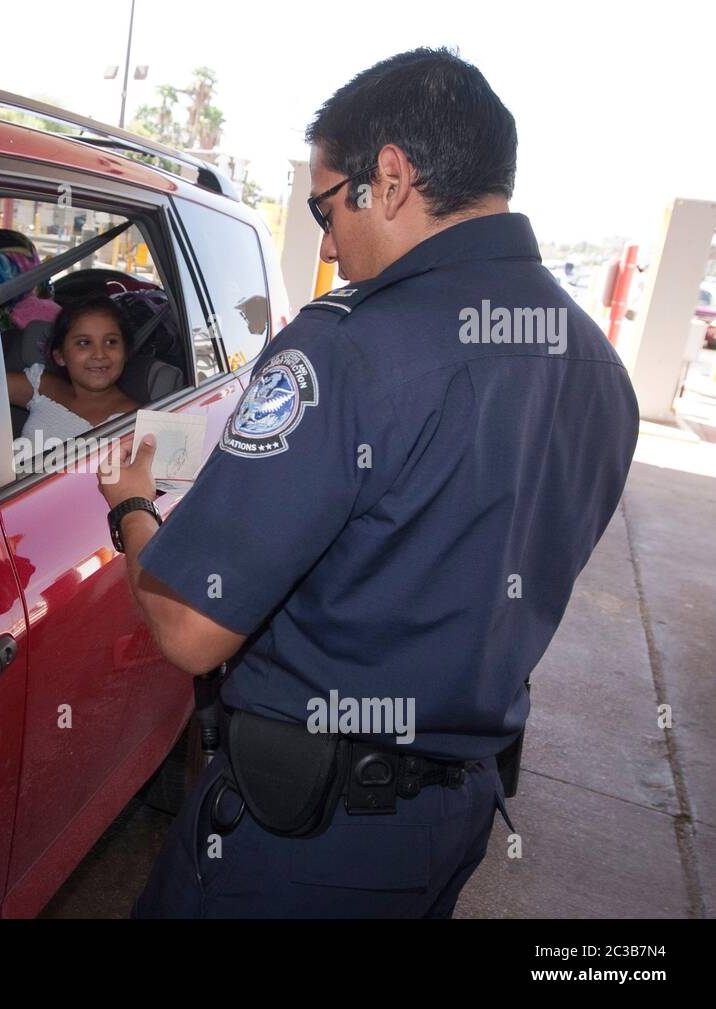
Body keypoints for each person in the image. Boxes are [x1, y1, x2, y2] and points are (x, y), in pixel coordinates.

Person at [98, 48, 638, 917]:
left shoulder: (348, 349)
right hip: (448, 823)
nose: (325, 241)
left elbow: (191, 628)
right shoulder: (599, 369)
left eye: (325, 206)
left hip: (295, 847)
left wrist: (129, 507)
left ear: (388, 179)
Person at [7, 295, 139, 461]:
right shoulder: (43, 387)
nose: (99, 354)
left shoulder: (136, 421)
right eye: (84, 343)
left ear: (125, 352)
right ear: (60, 356)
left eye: (111, 342)